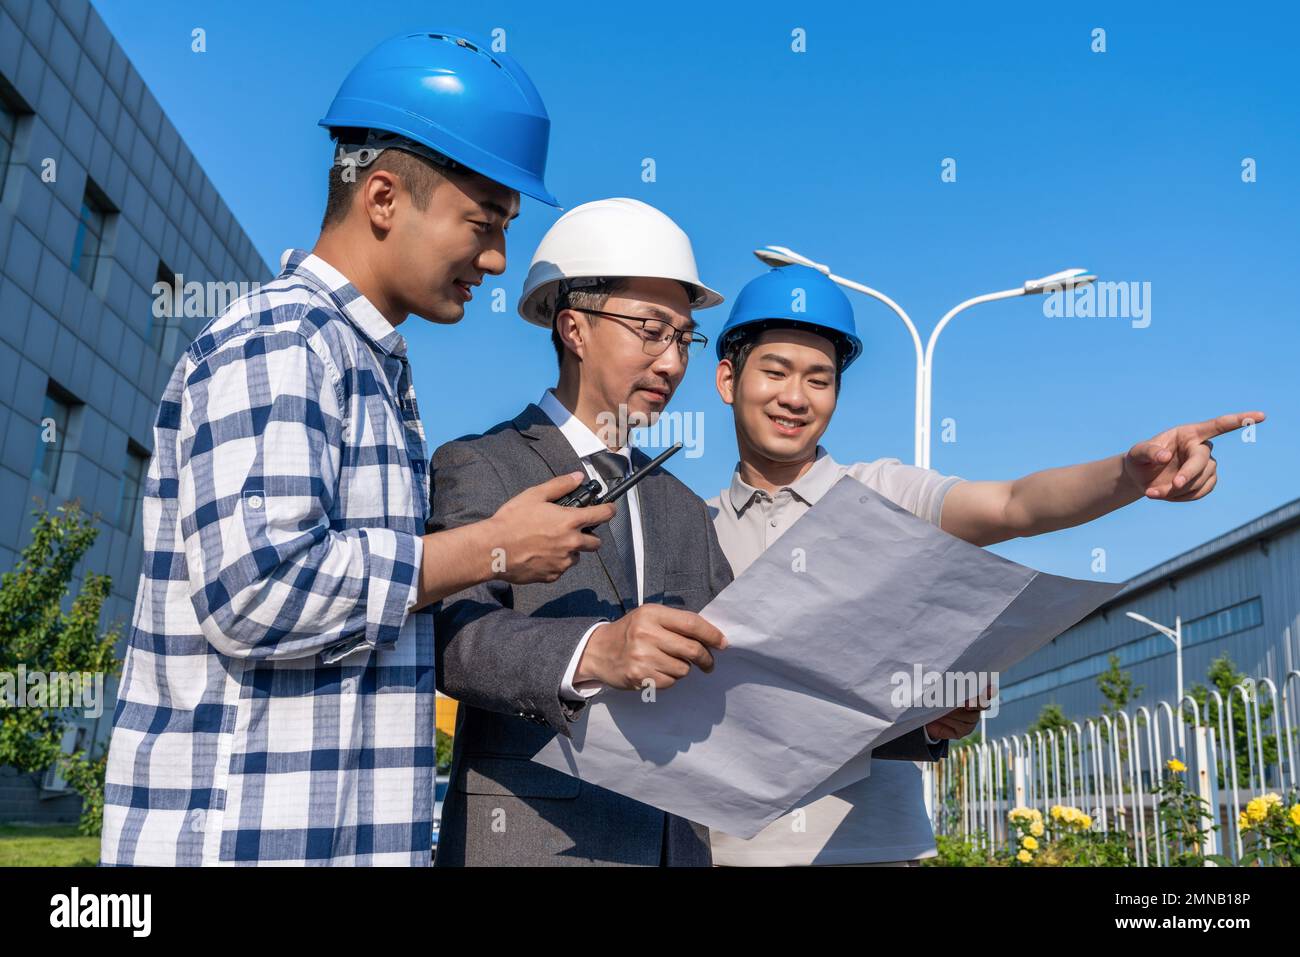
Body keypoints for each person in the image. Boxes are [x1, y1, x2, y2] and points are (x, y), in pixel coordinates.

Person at [100, 30, 614, 866]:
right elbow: (258, 591)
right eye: (483, 223)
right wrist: (492, 547)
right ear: (382, 197)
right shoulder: (281, 343)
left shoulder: (364, 363)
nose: (496, 259)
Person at [706, 264, 1264, 866]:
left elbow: (1013, 504)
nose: (796, 396)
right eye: (775, 372)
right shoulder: (686, 526)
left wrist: (1128, 475)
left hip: (876, 845)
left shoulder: (882, 493)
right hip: (719, 848)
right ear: (728, 380)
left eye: (820, 379)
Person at [430, 198, 733, 866]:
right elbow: (451, 635)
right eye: (651, 331)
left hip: (672, 846)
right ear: (574, 328)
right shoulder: (479, 465)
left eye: (685, 338)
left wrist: (915, 723)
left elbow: (743, 665)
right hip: (530, 844)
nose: (673, 362)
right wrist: (593, 652)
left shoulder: (684, 508)